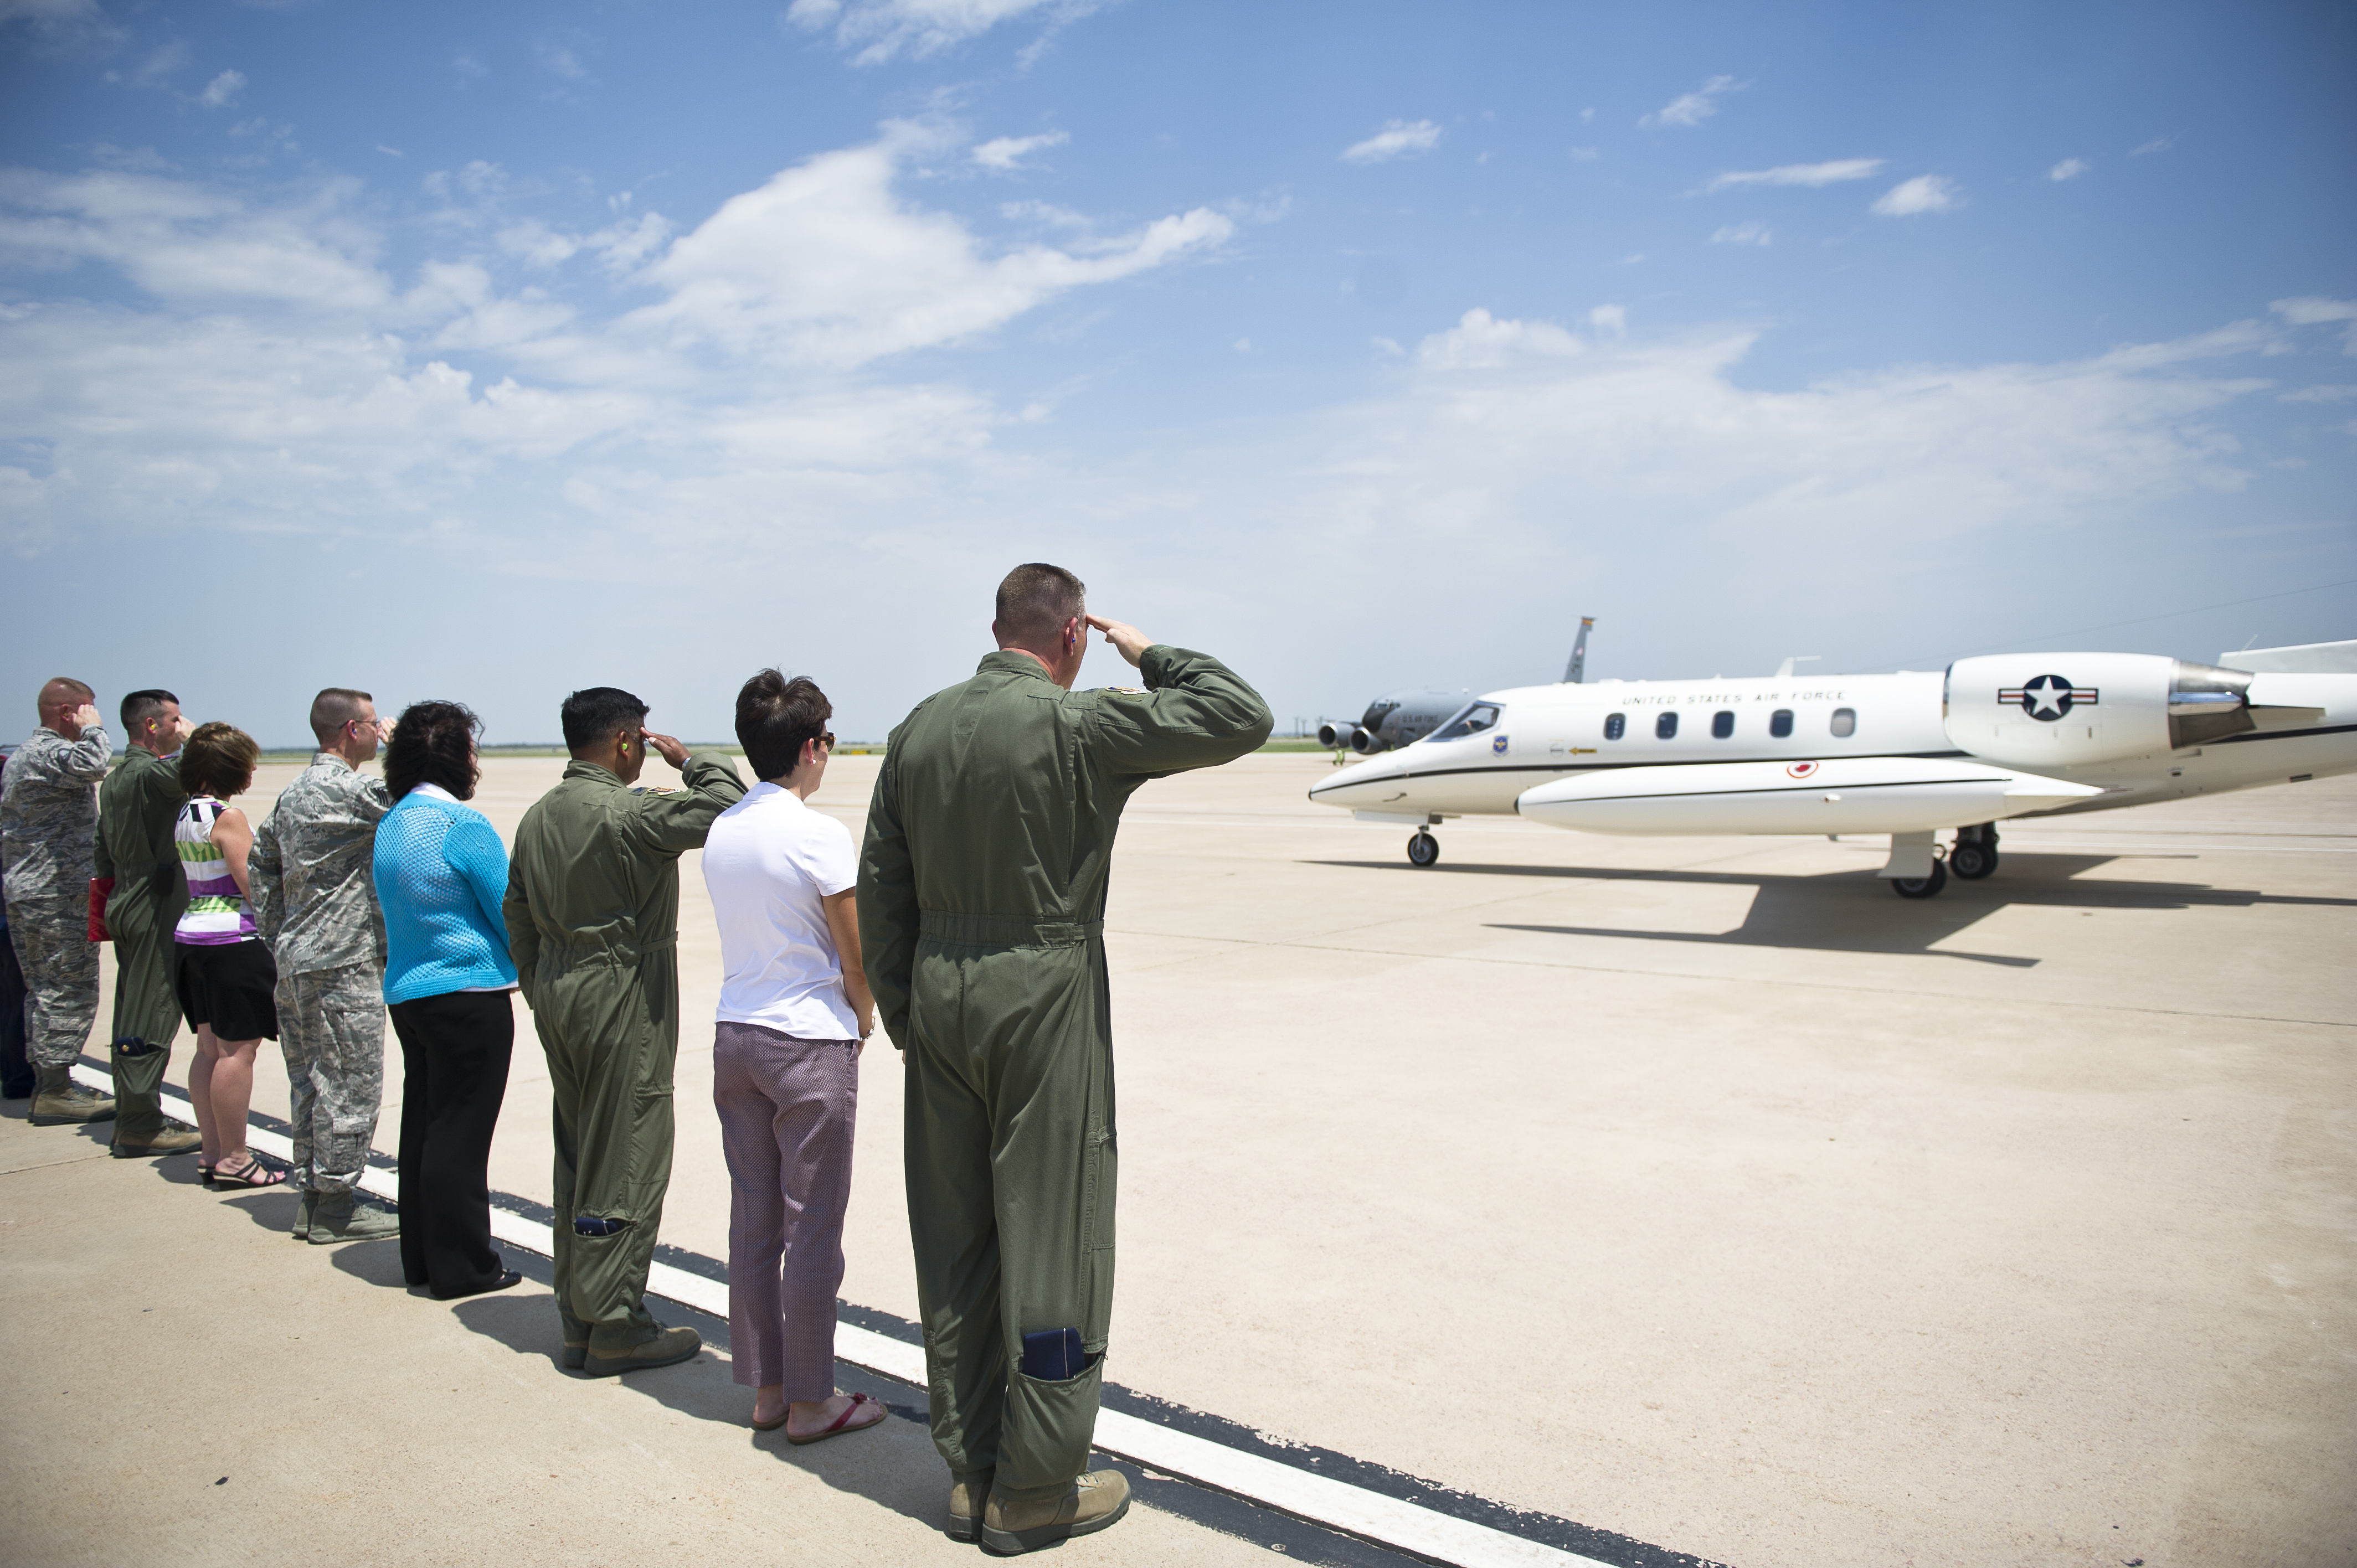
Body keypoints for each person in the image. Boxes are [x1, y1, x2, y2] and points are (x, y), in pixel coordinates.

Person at [860, 564, 1272, 1552]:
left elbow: (882, 880)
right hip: (1041, 990)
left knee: (955, 1237)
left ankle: (970, 1472)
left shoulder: (919, 727)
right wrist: (1149, 650)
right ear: (1072, 634)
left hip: (943, 995)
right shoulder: (1078, 726)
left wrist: (915, 1010)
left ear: (995, 626)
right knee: (1054, 1232)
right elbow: (1238, 714)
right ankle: (1037, 1485)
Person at [504, 687, 745, 1376]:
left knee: (579, 1150)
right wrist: (698, 761)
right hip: (619, 989)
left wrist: (541, 982)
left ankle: (578, 1317)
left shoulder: (539, 814)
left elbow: (515, 911)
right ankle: (616, 1322)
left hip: (557, 985)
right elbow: (725, 810)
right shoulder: (624, 813)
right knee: (630, 1148)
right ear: (625, 743)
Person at [702, 672, 886, 1444]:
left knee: (755, 1221)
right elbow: (854, 952)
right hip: (807, 1041)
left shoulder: (725, 829)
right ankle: (815, 1402)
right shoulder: (818, 833)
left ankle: (769, 1390)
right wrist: (867, 1013)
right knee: (813, 1229)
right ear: (811, 748)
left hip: (735, 1037)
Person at [374, 701, 521, 1300]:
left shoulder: (393, 821)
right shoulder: (462, 825)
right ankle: (465, 1265)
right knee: (462, 1135)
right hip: (466, 992)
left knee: (425, 1129)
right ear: (462, 755)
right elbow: (511, 910)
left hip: (410, 993)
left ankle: (424, 1259)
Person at [249, 688, 399, 1243]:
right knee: (351, 1082)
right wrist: (403, 739)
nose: (376, 734)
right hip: (344, 959)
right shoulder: (352, 789)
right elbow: (423, 792)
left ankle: (315, 1196)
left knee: (308, 1080)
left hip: (298, 958)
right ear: (351, 731)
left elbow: (262, 861)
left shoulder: (293, 793)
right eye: (370, 725)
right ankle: (335, 1204)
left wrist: (276, 931)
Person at [1, 678, 118, 1127]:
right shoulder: (47, 752)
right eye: (86, 710)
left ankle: (50, 1080)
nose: (92, 716)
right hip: (53, 893)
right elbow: (95, 763)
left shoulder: (28, 755)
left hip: (38, 890)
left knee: (46, 989)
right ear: (68, 711)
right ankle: (54, 1089)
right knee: (67, 989)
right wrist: (94, 728)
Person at [94, 688, 204, 1158]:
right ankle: (140, 1122)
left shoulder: (116, 779)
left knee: (131, 1005)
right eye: (174, 720)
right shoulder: (151, 774)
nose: (180, 727)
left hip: (127, 895)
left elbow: (102, 850)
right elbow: (200, 773)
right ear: (151, 726)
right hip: (154, 899)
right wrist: (198, 739)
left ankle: (131, 1111)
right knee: (155, 1007)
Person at [174, 722, 285, 1188]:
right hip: (231, 943)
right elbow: (251, 886)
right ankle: (238, 1158)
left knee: (207, 1049)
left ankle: (213, 1150)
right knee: (238, 1053)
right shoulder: (228, 817)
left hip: (191, 938)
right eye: (247, 761)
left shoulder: (187, 812)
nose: (253, 768)